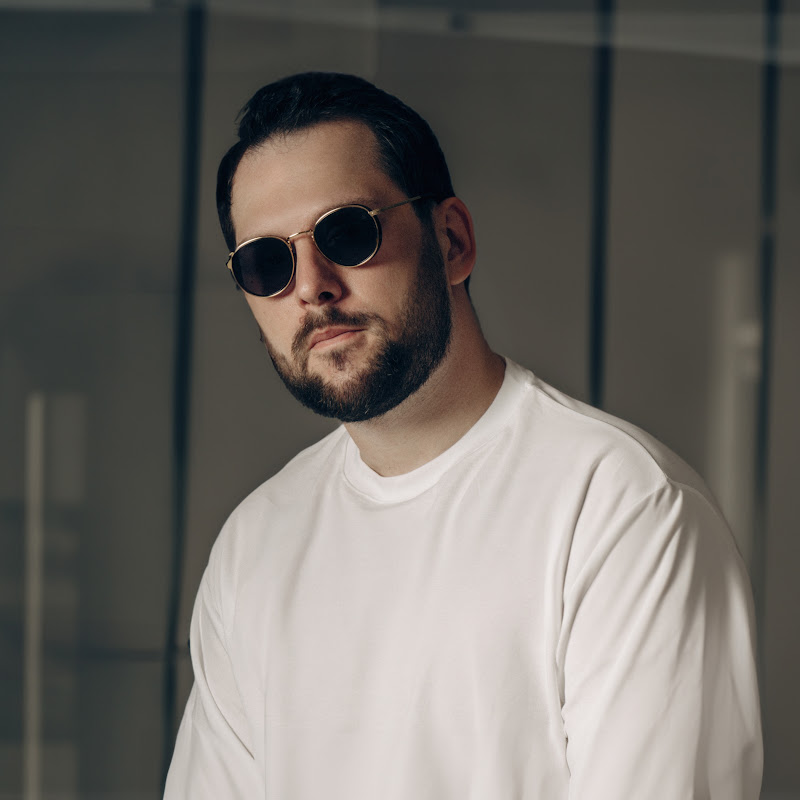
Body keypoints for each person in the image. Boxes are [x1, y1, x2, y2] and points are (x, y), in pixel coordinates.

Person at [164, 72, 763, 799]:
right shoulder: (253, 545)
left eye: (347, 233)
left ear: (451, 241)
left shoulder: (622, 508)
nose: (312, 286)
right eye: (267, 263)